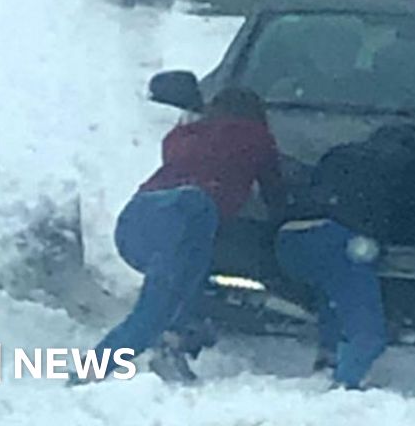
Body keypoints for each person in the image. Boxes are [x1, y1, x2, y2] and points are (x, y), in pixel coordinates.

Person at [90, 87, 285, 381]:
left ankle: (173, 346)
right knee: (157, 309)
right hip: (189, 213)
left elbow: (197, 159)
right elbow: (276, 196)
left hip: (136, 216)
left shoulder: (184, 135)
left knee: (187, 285)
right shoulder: (256, 137)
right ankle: (90, 373)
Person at [276, 125, 415, 389]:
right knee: (368, 333)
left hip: (288, 236)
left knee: (332, 295)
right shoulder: (408, 168)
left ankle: (328, 358)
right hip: (341, 240)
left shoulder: (340, 154)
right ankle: (343, 388)